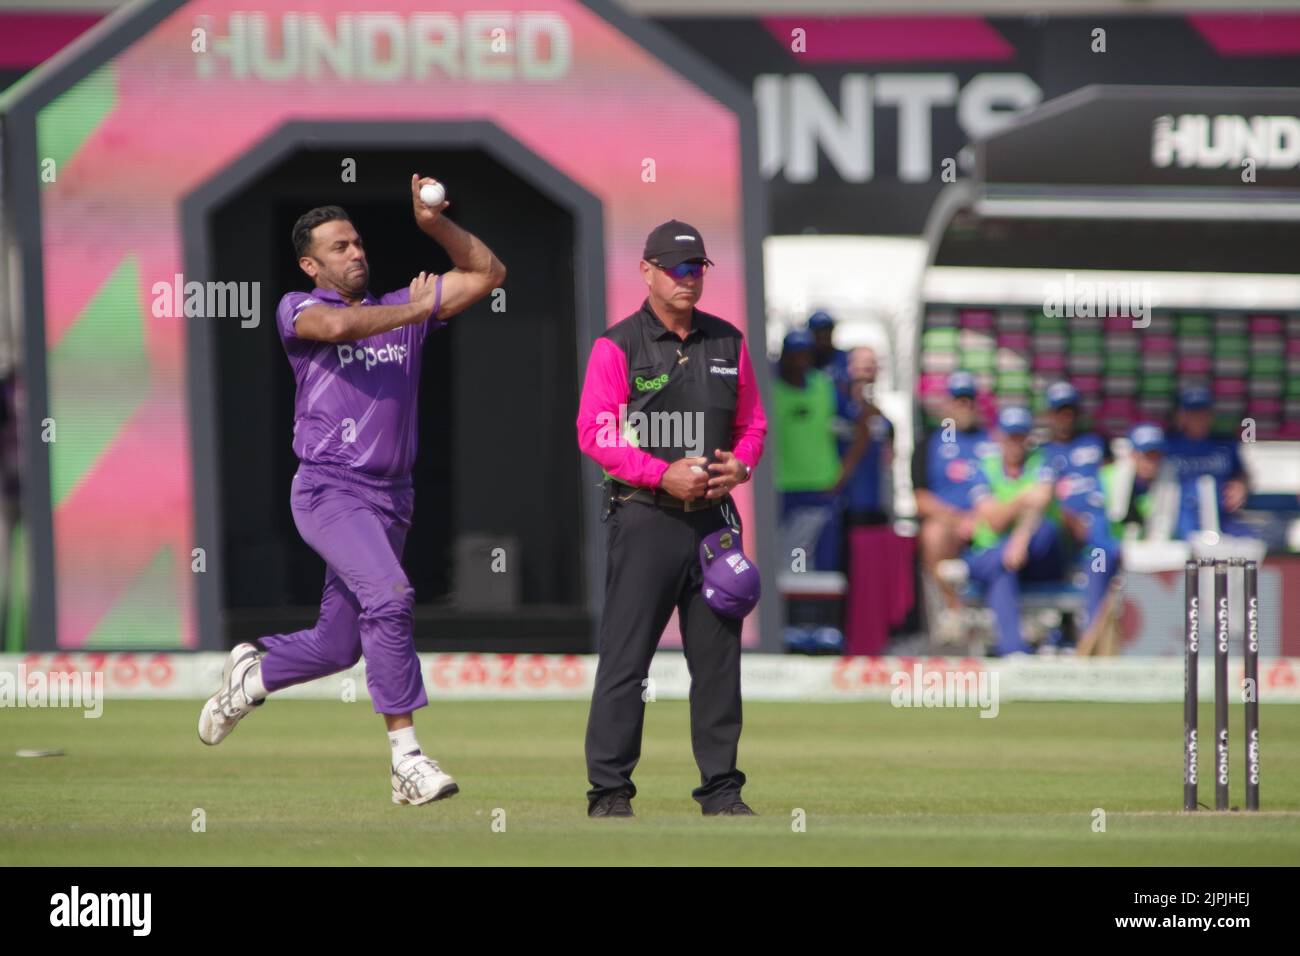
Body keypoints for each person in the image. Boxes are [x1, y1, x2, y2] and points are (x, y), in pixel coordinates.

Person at [197, 177, 507, 808]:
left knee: (339, 646)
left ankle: (252, 676)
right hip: (329, 491)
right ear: (311, 264)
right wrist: (418, 310)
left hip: (393, 498)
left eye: (358, 242)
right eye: (339, 247)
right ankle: (407, 762)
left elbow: (489, 273)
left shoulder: (402, 311)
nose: (356, 252)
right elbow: (337, 327)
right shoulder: (296, 308)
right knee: (391, 598)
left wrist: (435, 227)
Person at [575, 219, 766, 818]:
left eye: (697, 269)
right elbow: (595, 434)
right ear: (647, 271)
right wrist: (662, 474)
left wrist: (741, 466)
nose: (688, 279)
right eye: (676, 268)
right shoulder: (618, 344)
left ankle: (722, 790)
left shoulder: (728, 342)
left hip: (712, 524)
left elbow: (753, 426)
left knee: (717, 663)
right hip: (645, 520)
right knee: (626, 661)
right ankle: (609, 792)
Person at [963, 405, 1068, 656]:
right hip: (999, 554)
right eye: (1011, 436)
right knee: (1003, 570)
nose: (1016, 443)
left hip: (1033, 558)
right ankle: (1014, 650)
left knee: (1044, 531)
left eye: (1020, 436)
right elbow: (994, 520)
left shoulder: (1042, 461)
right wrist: (1023, 498)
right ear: (998, 436)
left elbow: (1040, 502)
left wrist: (1018, 538)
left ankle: (1012, 651)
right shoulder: (982, 466)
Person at [1037, 381, 1113, 644]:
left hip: (1099, 528)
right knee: (1098, 551)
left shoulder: (1096, 443)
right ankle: (1085, 634)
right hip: (1063, 534)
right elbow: (1040, 500)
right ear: (1049, 414)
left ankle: (1093, 634)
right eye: (1059, 411)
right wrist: (1068, 518)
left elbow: (1115, 481)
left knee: (1102, 551)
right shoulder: (1041, 454)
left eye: (1070, 411)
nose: (1065, 418)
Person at [912, 371, 996, 610]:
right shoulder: (929, 442)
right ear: (947, 404)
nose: (964, 406)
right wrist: (958, 520)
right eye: (958, 400)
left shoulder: (993, 441)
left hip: (989, 519)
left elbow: (1005, 487)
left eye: (969, 399)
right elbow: (920, 499)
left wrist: (979, 519)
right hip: (949, 523)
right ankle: (950, 610)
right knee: (933, 535)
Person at [772, 329, 843, 572]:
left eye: (805, 355)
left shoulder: (823, 385)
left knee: (803, 559)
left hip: (819, 487)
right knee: (781, 557)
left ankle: (802, 607)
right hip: (780, 487)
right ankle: (785, 608)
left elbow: (862, 422)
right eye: (794, 355)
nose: (799, 361)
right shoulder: (768, 389)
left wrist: (842, 474)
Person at [1164, 385, 1250, 539]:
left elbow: (1240, 474)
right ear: (1180, 415)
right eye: (1192, 413)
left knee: (1250, 543)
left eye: (1202, 413)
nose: (1198, 418)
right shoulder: (1167, 445)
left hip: (1221, 517)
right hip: (1178, 517)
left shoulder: (1225, 445)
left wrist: (1241, 485)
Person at [807, 310, 849, 395]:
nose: (824, 336)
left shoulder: (844, 358)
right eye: (819, 332)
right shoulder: (804, 361)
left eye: (827, 331)